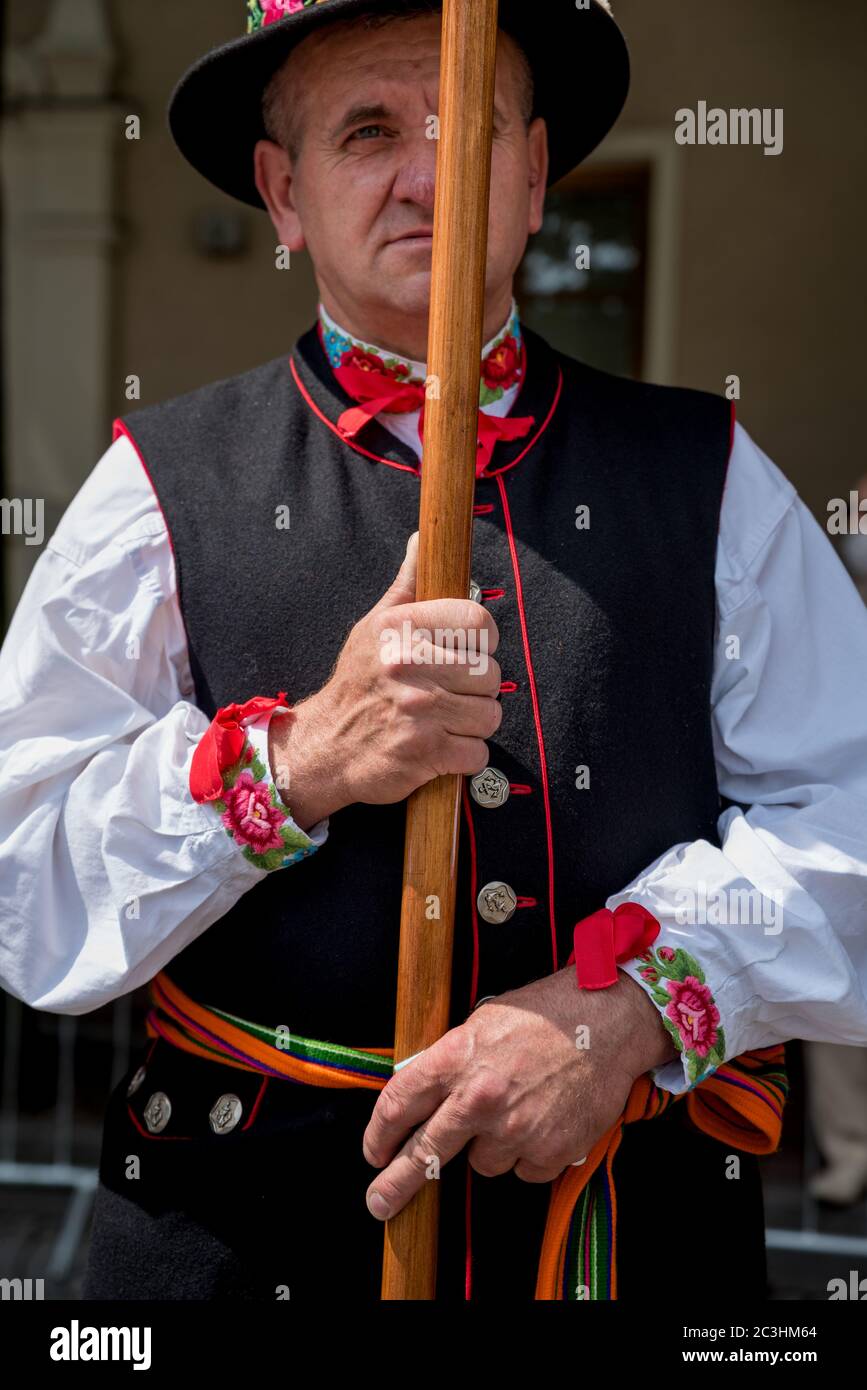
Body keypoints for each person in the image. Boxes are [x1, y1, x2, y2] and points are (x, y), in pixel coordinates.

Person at [1, 0, 866, 1301]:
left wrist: (632, 1006)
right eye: (367, 131)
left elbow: (851, 810)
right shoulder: (155, 490)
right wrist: (293, 763)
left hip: (629, 1248)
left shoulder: (711, 476)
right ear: (283, 197)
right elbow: (25, 885)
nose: (425, 174)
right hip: (241, 1241)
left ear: (532, 172)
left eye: (468, 129)